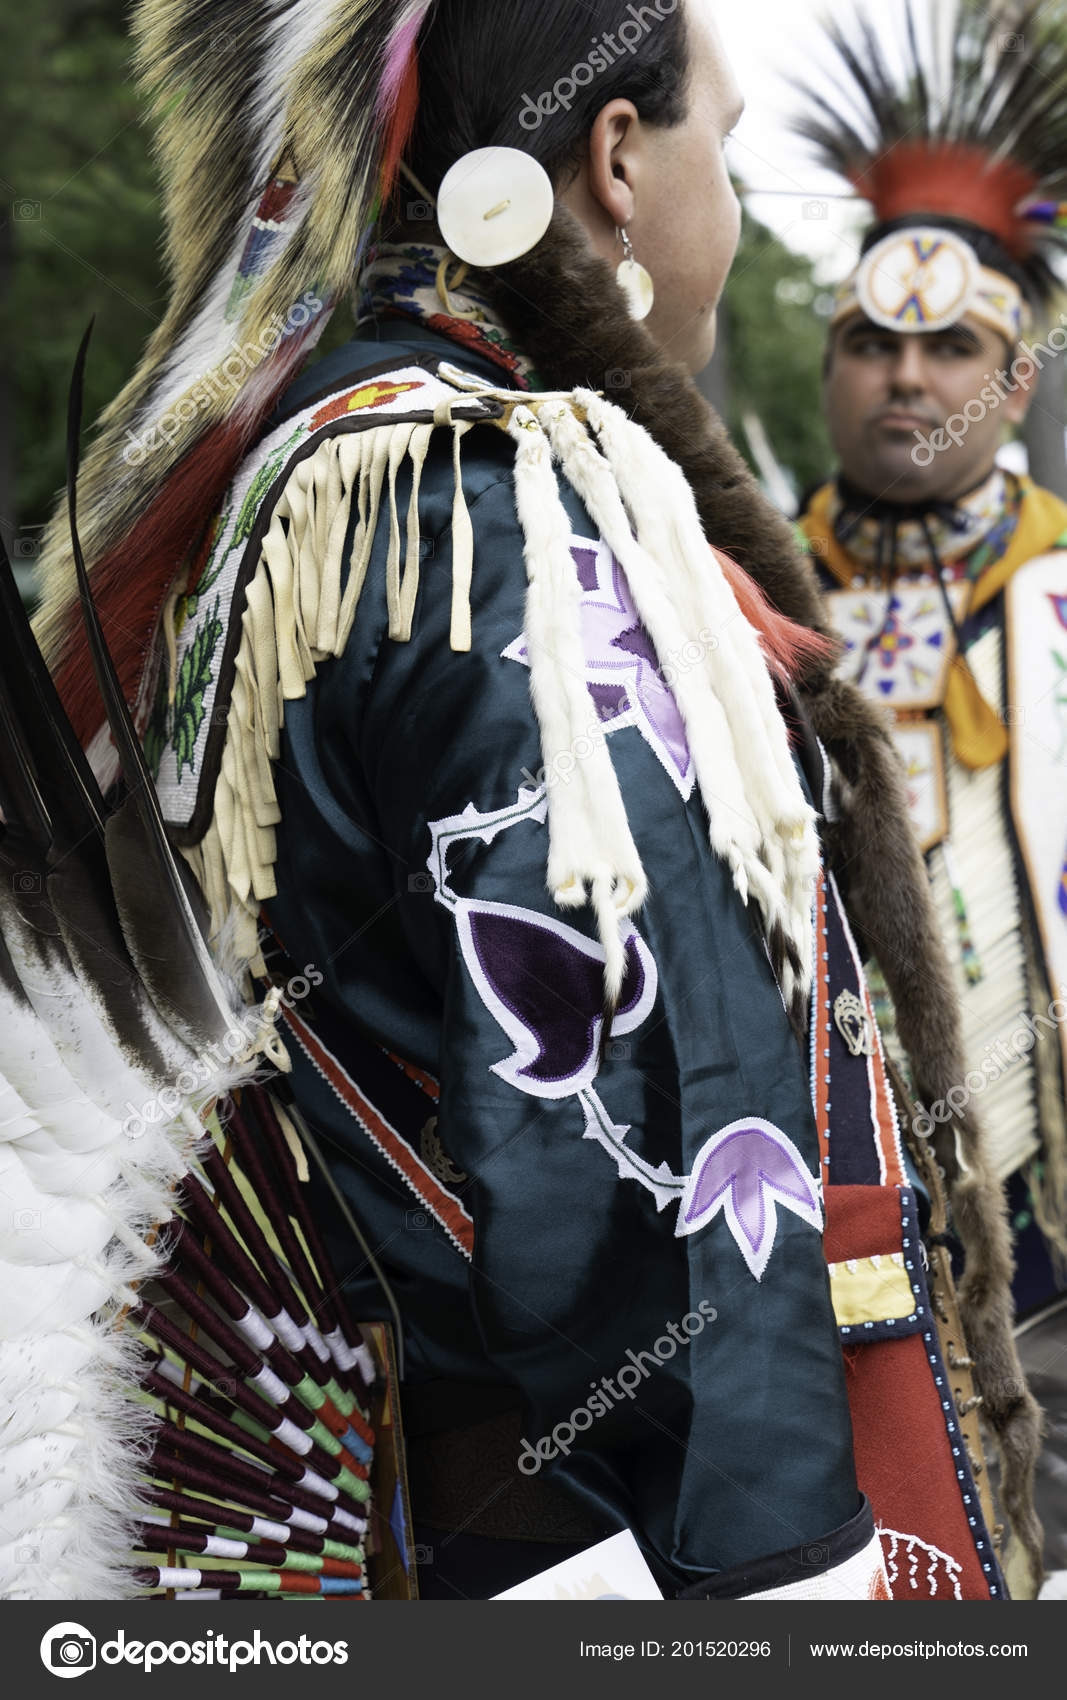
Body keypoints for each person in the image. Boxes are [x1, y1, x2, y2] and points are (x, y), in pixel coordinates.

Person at [28, 0, 1039, 1601]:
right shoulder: (514, 515)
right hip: (598, 1554)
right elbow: (660, 1128)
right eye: (728, 138)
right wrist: (787, 1578)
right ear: (621, 158)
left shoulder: (307, 474)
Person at [794, 1, 1067, 1329]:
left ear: (1014, 382)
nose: (905, 377)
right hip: (811, 1186)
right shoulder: (736, 594)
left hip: (1047, 1196)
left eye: (949, 347)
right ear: (829, 360)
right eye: (871, 344)